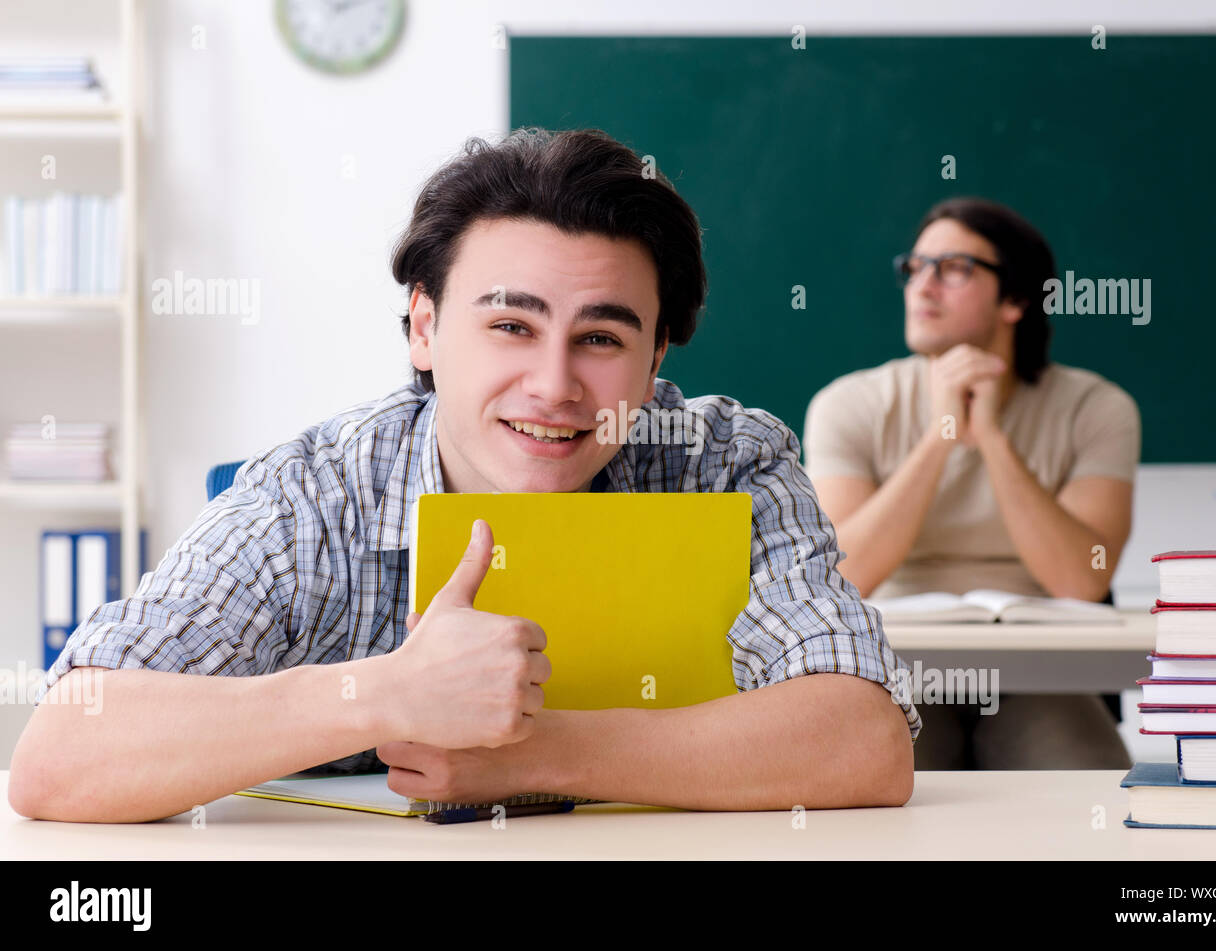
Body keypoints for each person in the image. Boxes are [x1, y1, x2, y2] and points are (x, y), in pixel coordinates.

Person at [9, 128, 918, 823]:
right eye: (510, 326)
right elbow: (60, 753)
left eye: (601, 338)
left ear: (654, 361)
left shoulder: (725, 462)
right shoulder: (316, 492)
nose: (555, 385)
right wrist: (387, 692)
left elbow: (862, 743)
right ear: (424, 329)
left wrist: (536, 753)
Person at [802, 196, 1138, 770]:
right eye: (915, 266)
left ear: (1016, 299)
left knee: (1082, 775)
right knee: (882, 777)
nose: (923, 286)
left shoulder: (1097, 408)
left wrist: (992, 438)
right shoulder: (847, 404)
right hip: (897, 665)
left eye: (953, 268)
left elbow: (1080, 579)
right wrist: (942, 434)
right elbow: (844, 577)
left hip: (1043, 670)